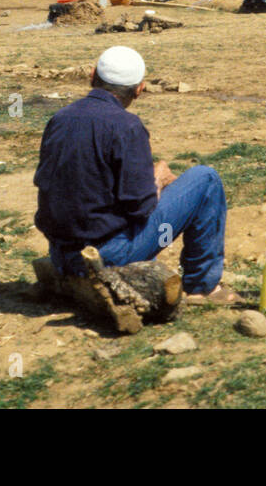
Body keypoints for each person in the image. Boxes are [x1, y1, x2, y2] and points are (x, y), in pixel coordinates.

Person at [33, 46, 242, 304]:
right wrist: (157, 180)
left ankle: (77, 271)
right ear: (139, 89)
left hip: (61, 253)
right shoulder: (127, 126)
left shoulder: (60, 118)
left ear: (91, 75)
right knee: (204, 179)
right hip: (108, 255)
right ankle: (202, 287)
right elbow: (141, 208)